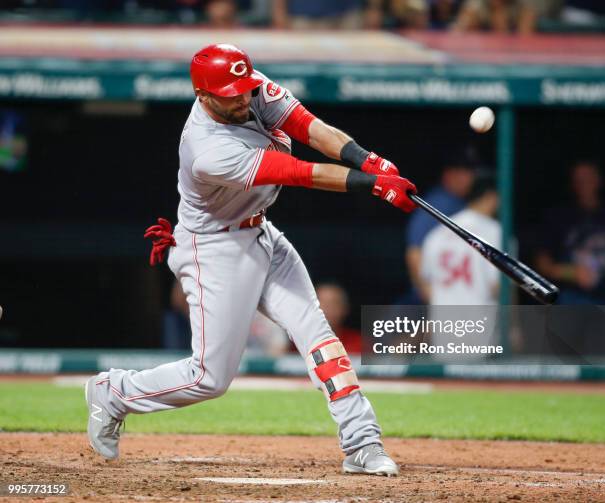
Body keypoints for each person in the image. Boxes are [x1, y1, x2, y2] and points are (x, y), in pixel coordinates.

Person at [85, 43, 418, 476]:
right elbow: (299, 172)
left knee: (317, 333)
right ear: (203, 96)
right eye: (230, 94)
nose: (243, 98)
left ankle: (362, 443)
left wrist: (368, 160)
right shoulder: (207, 150)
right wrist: (371, 185)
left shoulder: (248, 86)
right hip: (214, 249)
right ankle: (114, 392)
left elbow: (307, 126)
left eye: (244, 88)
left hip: (260, 231)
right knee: (210, 378)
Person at [535, 161, 605, 305]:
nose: (584, 184)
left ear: (599, 180)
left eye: (588, 179)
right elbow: (542, 264)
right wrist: (572, 273)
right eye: (579, 180)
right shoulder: (559, 217)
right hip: (571, 301)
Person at [420, 170, 500, 305]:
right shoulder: (496, 232)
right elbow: (499, 286)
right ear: (491, 196)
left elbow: (425, 283)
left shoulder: (438, 233)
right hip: (482, 320)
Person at [403, 154, 474, 304]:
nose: (469, 178)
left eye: (470, 172)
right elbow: (414, 253)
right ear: (448, 175)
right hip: (426, 301)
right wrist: (428, 294)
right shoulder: (438, 203)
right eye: (463, 172)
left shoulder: (463, 204)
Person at [316, 282, 361, 354]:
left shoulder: (359, 344)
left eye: (334, 303)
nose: (327, 308)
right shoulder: (297, 343)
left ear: (345, 309)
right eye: (321, 303)